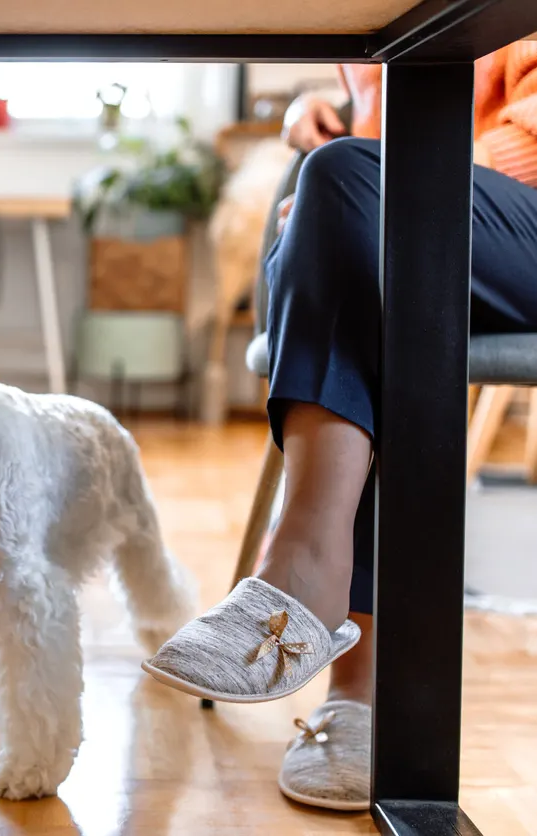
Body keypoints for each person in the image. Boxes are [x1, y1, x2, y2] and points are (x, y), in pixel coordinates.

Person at [143, 41, 537, 810]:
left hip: (516, 225)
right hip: (417, 221)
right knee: (355, 225)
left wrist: (372, 182)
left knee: (354, 199)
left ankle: (308, 591)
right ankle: (356, 690)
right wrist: (316, 126)